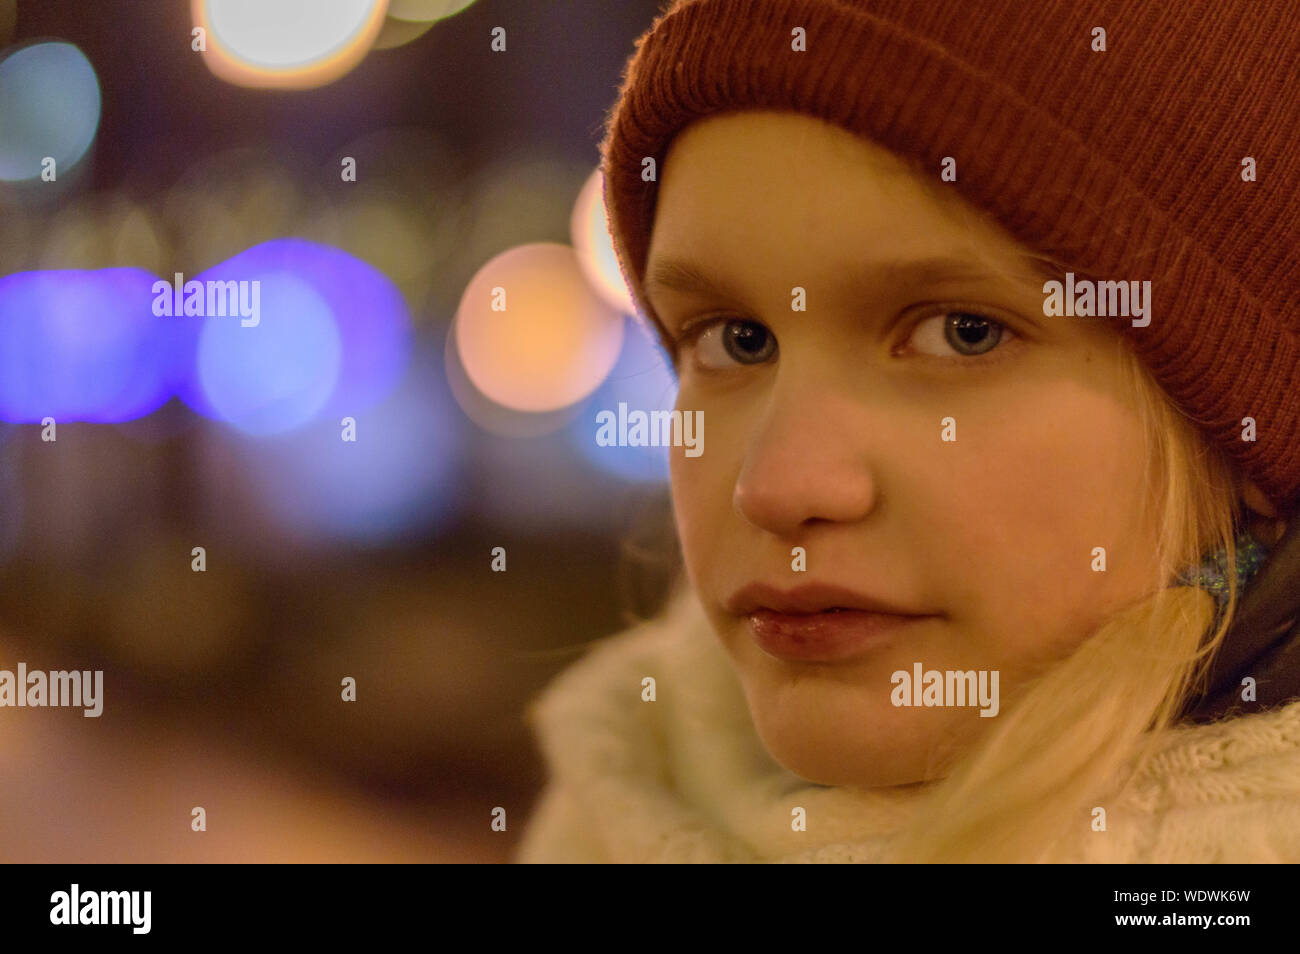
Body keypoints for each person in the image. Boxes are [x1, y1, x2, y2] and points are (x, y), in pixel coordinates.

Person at [517, 0, 1300, 862]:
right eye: (735, 340)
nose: (776, 486)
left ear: (1248, 438)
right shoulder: (621, 788)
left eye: (963, 332)